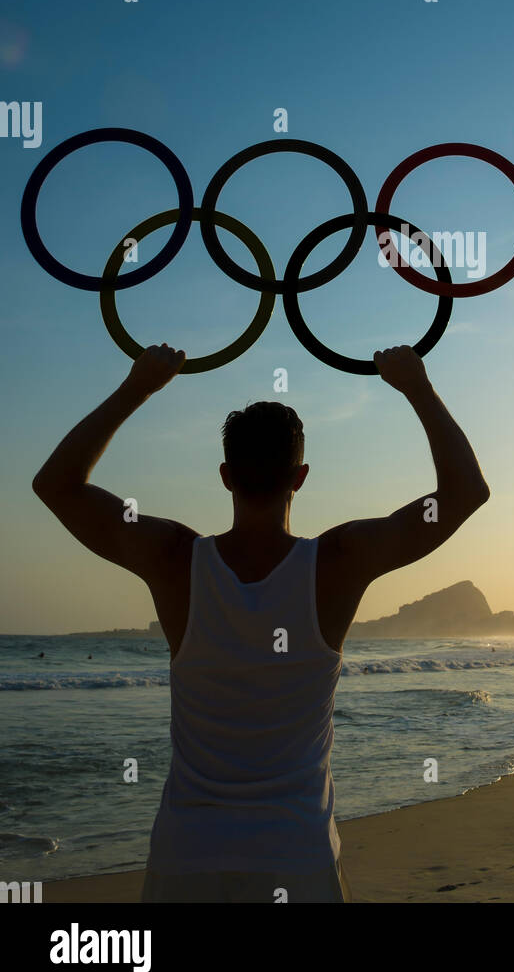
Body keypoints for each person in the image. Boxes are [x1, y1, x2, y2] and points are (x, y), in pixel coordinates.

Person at [32, 342, 490, 905]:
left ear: (225, 475)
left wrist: (139, 386)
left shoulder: (174, 557)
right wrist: (414, 384)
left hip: (186, 859)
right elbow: (465, 492)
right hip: (295, 859)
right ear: (300, 477)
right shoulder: (337, 562)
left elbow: (56, 484)